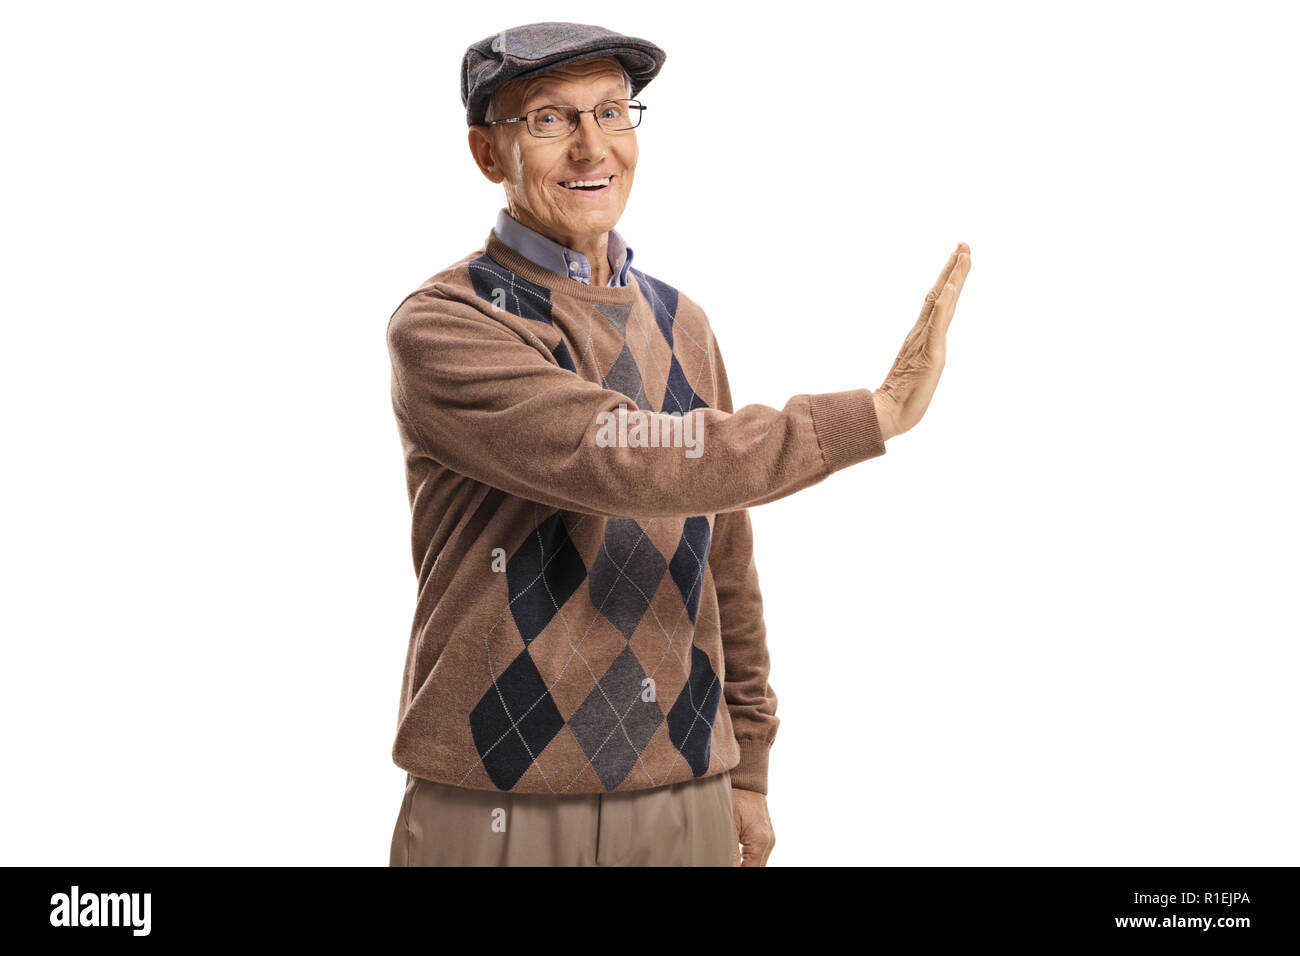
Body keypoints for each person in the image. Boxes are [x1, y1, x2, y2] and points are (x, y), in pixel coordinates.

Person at [385, 21, 972, 867]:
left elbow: (724, 549)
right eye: (551, 120)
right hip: (497, 798)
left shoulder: (681, 323)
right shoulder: (446, 324)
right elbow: (620, 455)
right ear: (487, 153)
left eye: (614, 113)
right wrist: (869, 416)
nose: (593, 147)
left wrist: (751, 764)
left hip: (686, 792)